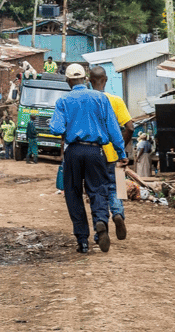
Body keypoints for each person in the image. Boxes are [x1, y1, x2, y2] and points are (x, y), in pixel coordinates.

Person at [49, 63, 126, 254]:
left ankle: (82, 241)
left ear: (68, 81)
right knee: (99, 190)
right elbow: (114, 129)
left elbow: (56, 128)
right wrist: (122, 153)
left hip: (73, 151)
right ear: (85, 79)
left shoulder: (63, 101)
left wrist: (70, 126)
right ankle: (101, 222)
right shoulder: (101, 98)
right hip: (97, 152)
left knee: (73, 194)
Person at [89, 66, 134, 242]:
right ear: (106, 80)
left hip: (94, 154)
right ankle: (118, 214)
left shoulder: (88, 100)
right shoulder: (116, 100)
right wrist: (121, 147)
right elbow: (130, 127)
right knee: (116, 188)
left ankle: (100, 226)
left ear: (89, 81)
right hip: (115, 155)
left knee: (97, 191)